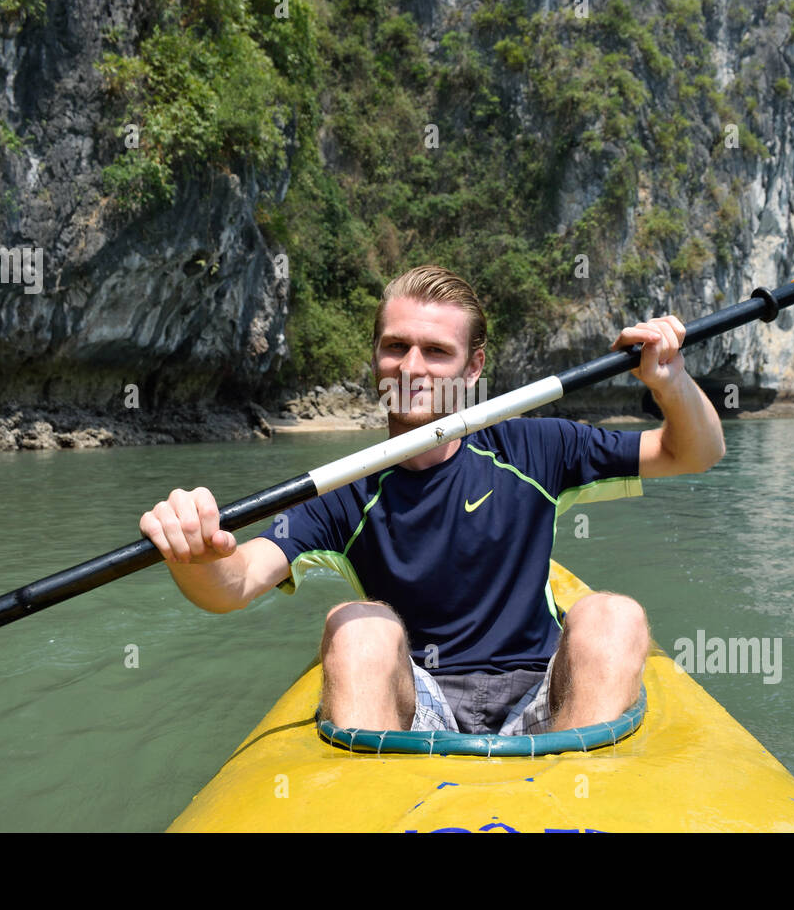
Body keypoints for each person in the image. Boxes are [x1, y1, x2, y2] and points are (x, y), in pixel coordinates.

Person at [139, 265, 725, 735]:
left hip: (543, 696)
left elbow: (691, 453)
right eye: (395, 346)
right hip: (417, 708)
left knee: (614, 616)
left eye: (436, 351)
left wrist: (669, 381)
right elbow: (235, 583)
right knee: (357, 623)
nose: (411, 368)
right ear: (374, 357)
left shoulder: (537, 448)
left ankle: (572, 805)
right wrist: (195, 551)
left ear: (473, 368)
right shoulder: (342, 491)